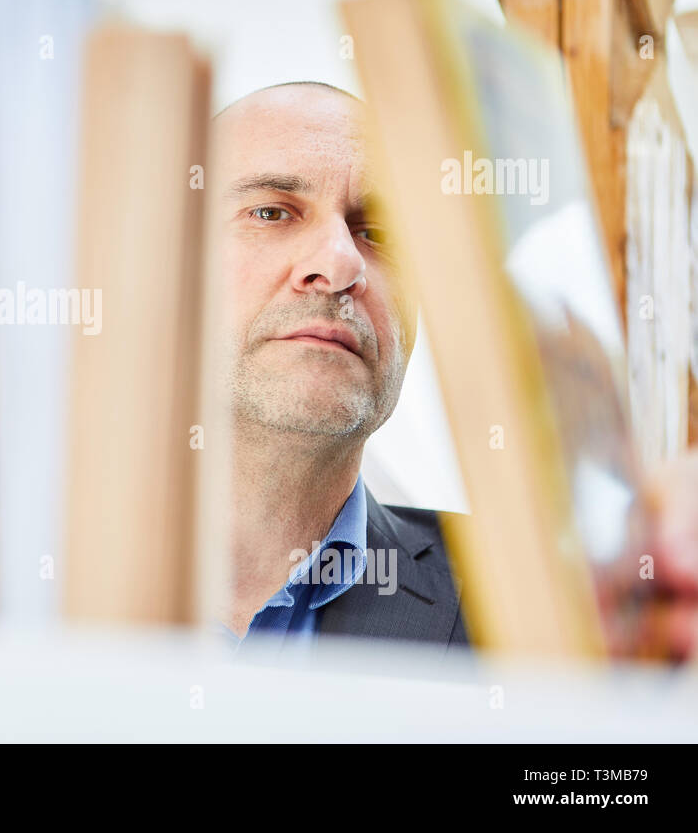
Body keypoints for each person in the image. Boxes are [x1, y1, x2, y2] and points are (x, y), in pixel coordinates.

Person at [211, 81, 698, 660]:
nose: (340, 263)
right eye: (270, 212)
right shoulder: (73, 576)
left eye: (380, 232)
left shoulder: (551, 620)